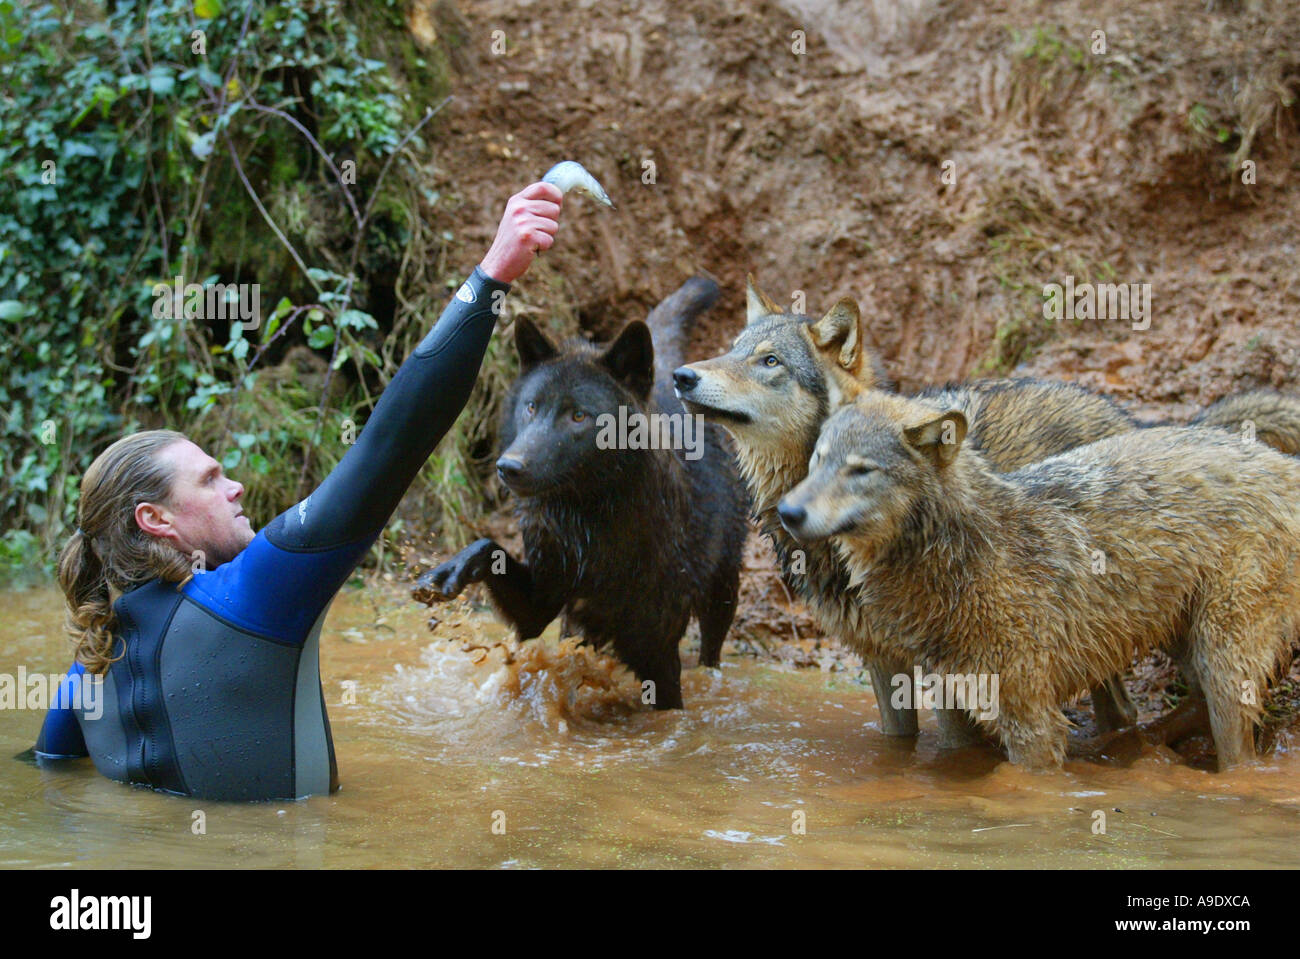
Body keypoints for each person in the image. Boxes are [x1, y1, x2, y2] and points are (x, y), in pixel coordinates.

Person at [32, 181, 564, 801]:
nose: (235, 487)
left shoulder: (92, 659)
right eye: (209, 479)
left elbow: (48, 769)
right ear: (155, 519)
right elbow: (391, 444)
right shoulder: (256, 593)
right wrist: (492, 274)